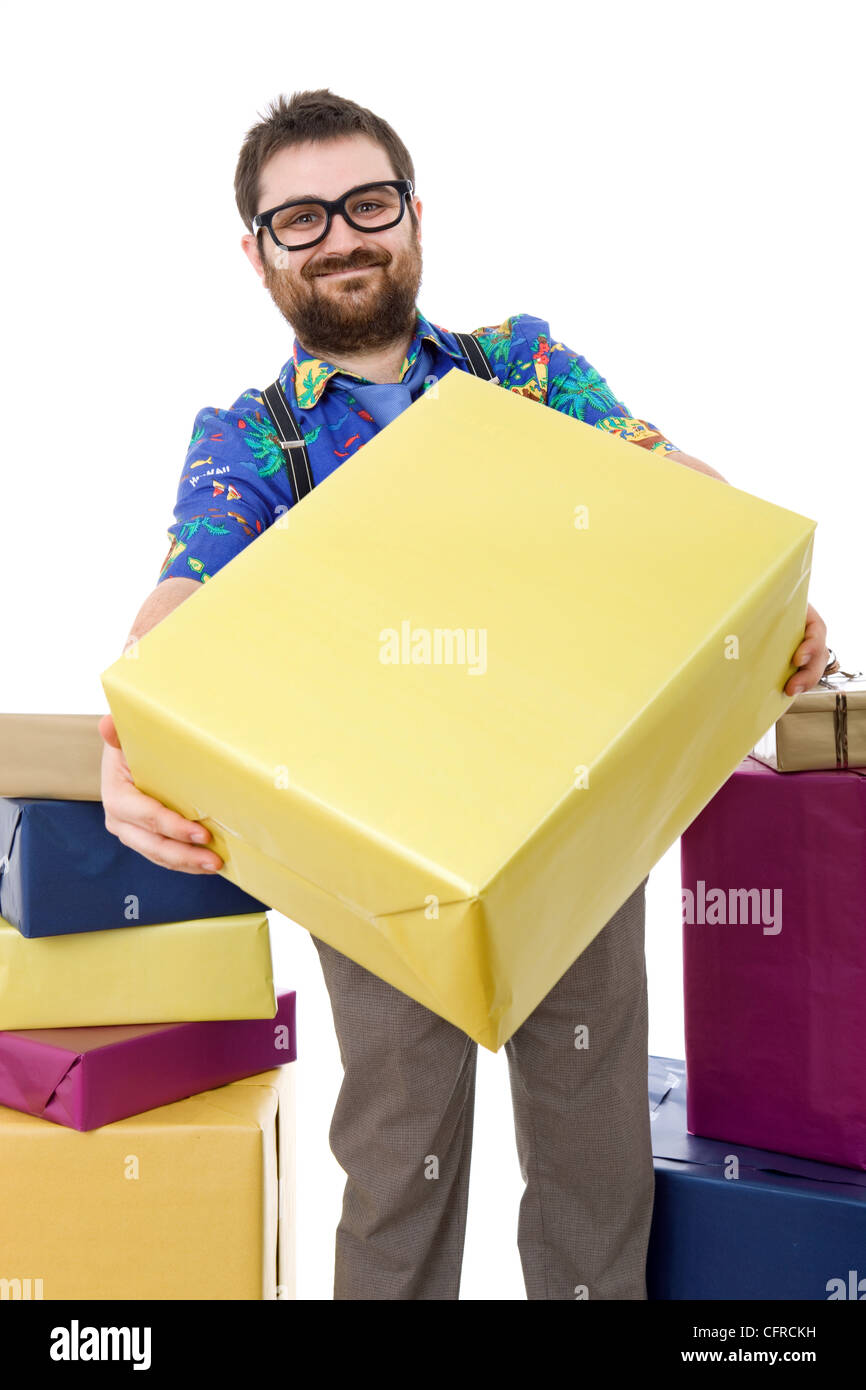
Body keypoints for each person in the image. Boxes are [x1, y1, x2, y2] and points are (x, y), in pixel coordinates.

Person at [100, 88, 830, 1301]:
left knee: (594, 1151)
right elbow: (181, 599)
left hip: (571, 817)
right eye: (299, 218)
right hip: (378, 846)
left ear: (413, 214)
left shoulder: (519, 366)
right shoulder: (255, 438)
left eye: (366, 202)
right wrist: (134, 736)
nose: (340, 234)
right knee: (398, 1158)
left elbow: (665, 481)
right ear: (257, 251)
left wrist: (752, 592)